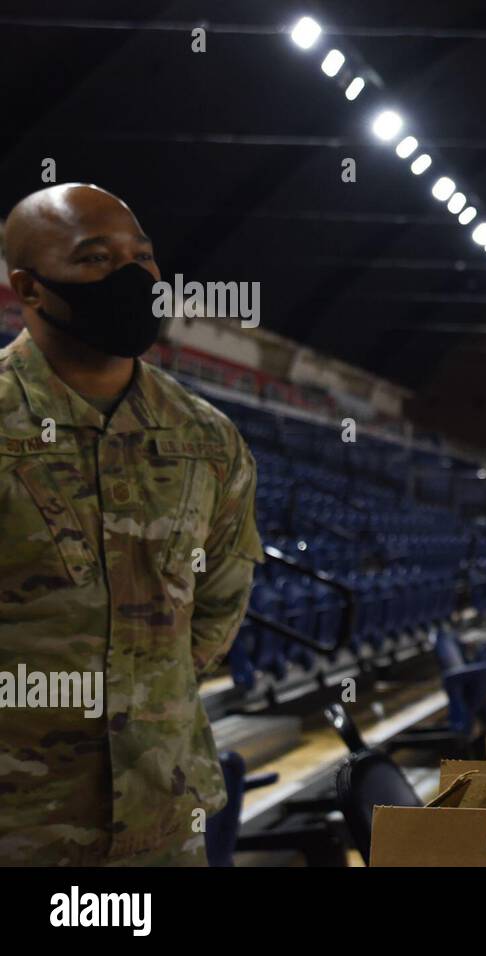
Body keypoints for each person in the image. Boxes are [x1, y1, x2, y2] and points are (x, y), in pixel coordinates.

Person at [0, 183, 262, 865]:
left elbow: (218, 606)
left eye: (141, 257)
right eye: (94, 260)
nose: (133, 277)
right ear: (29, 288)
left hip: (162, 822)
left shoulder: (209, 438)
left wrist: (145, 691)